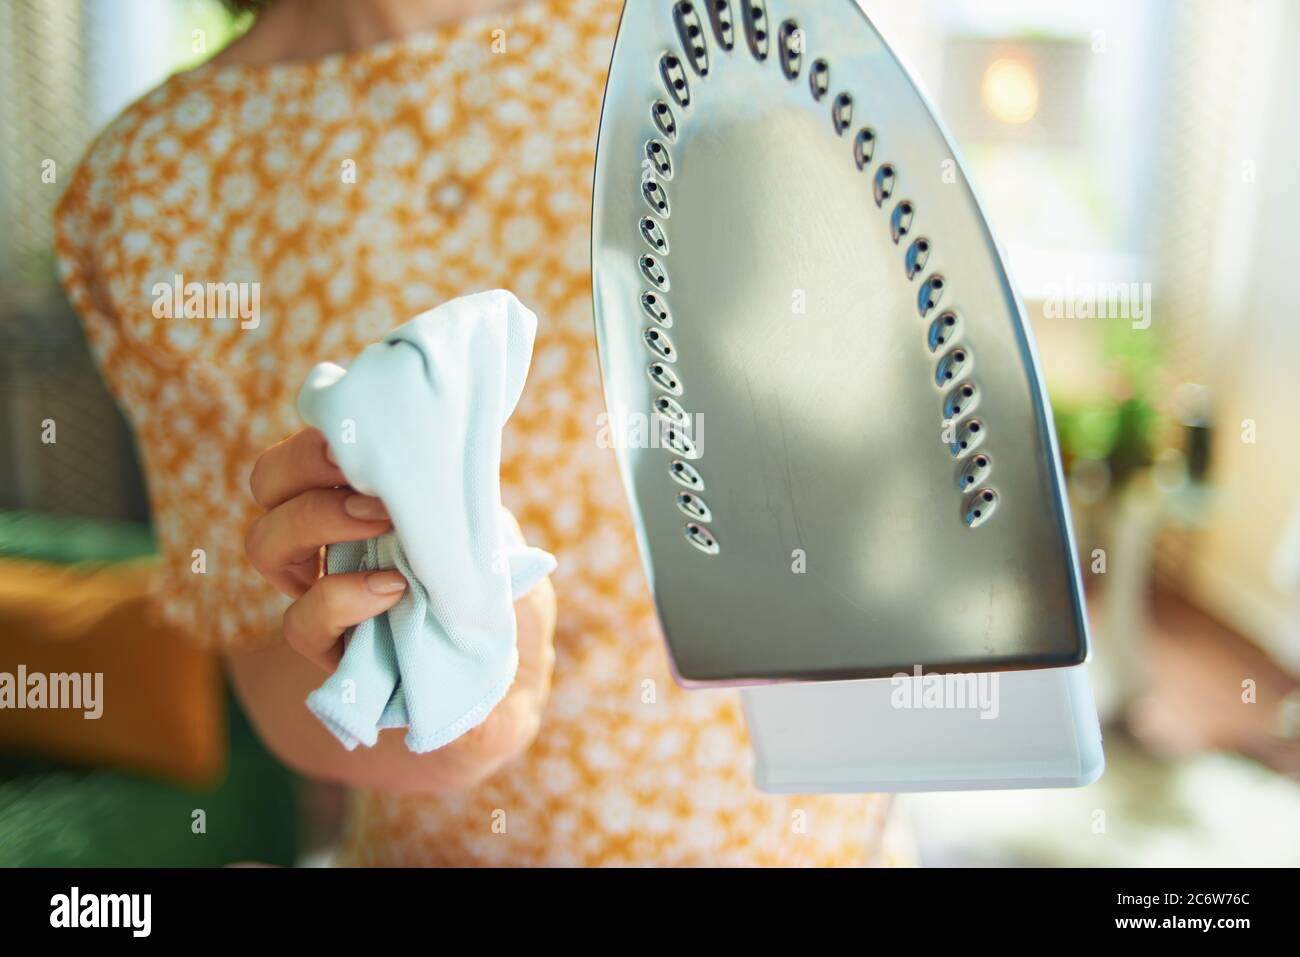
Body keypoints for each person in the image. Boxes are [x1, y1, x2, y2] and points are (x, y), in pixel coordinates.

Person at [54, 0, 907, 865]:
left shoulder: (716, 42)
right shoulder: (158, 183)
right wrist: (452, 719)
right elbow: (263, 649)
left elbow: (871, 476)